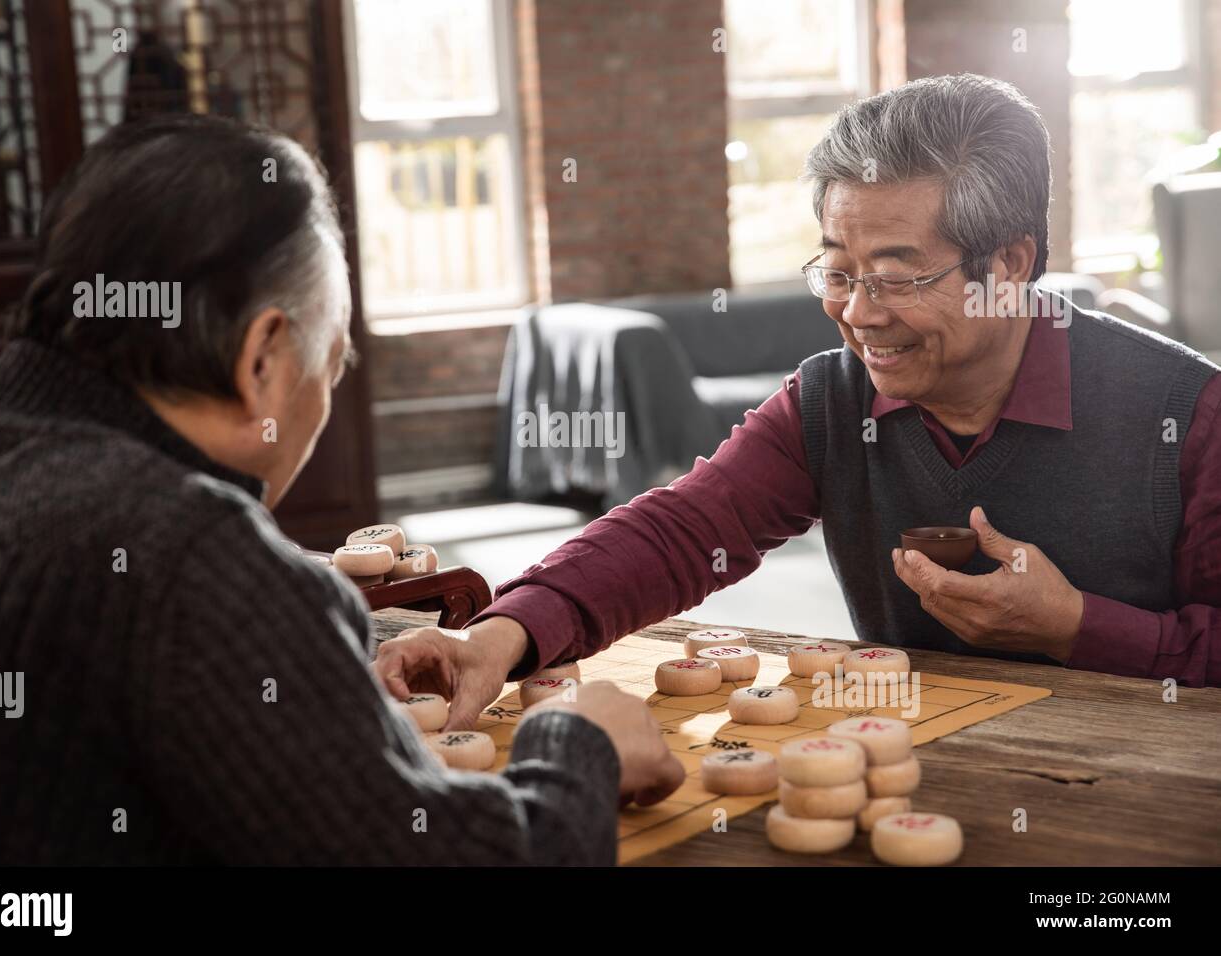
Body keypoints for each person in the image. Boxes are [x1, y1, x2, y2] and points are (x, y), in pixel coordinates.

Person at [0, 114, 683, 865]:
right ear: (262, 359)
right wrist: (579, 747)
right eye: (333, 361)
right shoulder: (197, 560)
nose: (325, 391)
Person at [376, 74, 1221, 713]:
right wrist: (499, 636)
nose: (859, 314)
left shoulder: (1189, 415)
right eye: (839, 272)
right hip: (910, 771)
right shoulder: (831, 401)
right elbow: (682, 531)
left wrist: (1076, 626)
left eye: (896, 277)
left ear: (1008, 264)